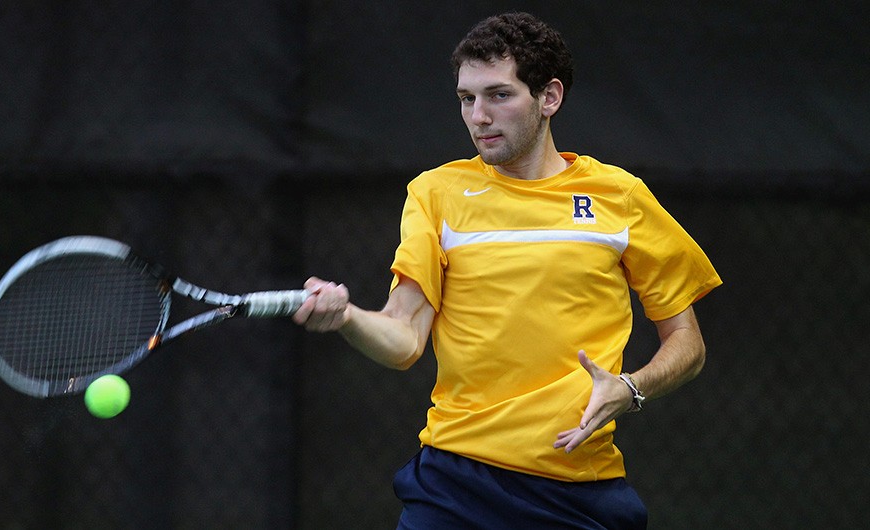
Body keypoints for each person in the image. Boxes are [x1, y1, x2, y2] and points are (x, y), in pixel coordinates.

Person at [293, 11, 721, 529]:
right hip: (454, 485)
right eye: (466, 99)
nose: (478, 116)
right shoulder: (435, 194)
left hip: (576, 489)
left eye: (498, 95)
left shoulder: (620, 197)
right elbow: (405, 338)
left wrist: (631, 388)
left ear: (549, 98)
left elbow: (688, 343)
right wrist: (346, 318)